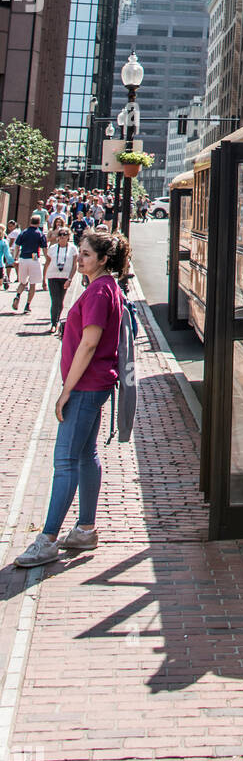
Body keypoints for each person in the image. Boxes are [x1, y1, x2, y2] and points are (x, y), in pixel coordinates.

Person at [14, 231, 131, 568]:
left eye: (85, 254)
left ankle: (48, 539)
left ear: (103, 259)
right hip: (96, 385)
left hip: (85, 387)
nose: (79, 259)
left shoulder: (98, 292)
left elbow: (89, 343)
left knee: (65, 460)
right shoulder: (107, 287)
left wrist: (66, 391)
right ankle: (84, 529)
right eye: (79, 253)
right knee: (85, 455)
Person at [45, 224, 78, 334]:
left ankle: (57, 319)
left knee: (61, 300)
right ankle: (53, 323)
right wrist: (43, 278)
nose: (63, 236)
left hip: (65, 277)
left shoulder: (73, 249)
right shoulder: (53, 248)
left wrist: (70, 279)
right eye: (60, 234)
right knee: (55, 300)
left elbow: (74, 265)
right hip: (53, 276)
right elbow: (47, 262)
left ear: (69, 236)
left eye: (65, 234)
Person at [12, 214, 47, 313]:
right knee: (33, 284)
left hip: (23, 257)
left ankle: (18, 295)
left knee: (23, 282)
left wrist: (15, 257)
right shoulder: (39, 233)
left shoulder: (24, 232)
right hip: (34, 256)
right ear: (39, 222)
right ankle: (27, 305)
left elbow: (17, 246)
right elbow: (44, 248)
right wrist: (48, 258)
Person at [0, 224, 14, 290]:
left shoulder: (4, 242)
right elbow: (7, 255)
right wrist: (12, 262)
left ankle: (5, 277)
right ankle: (5, 277)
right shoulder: (4, 242)